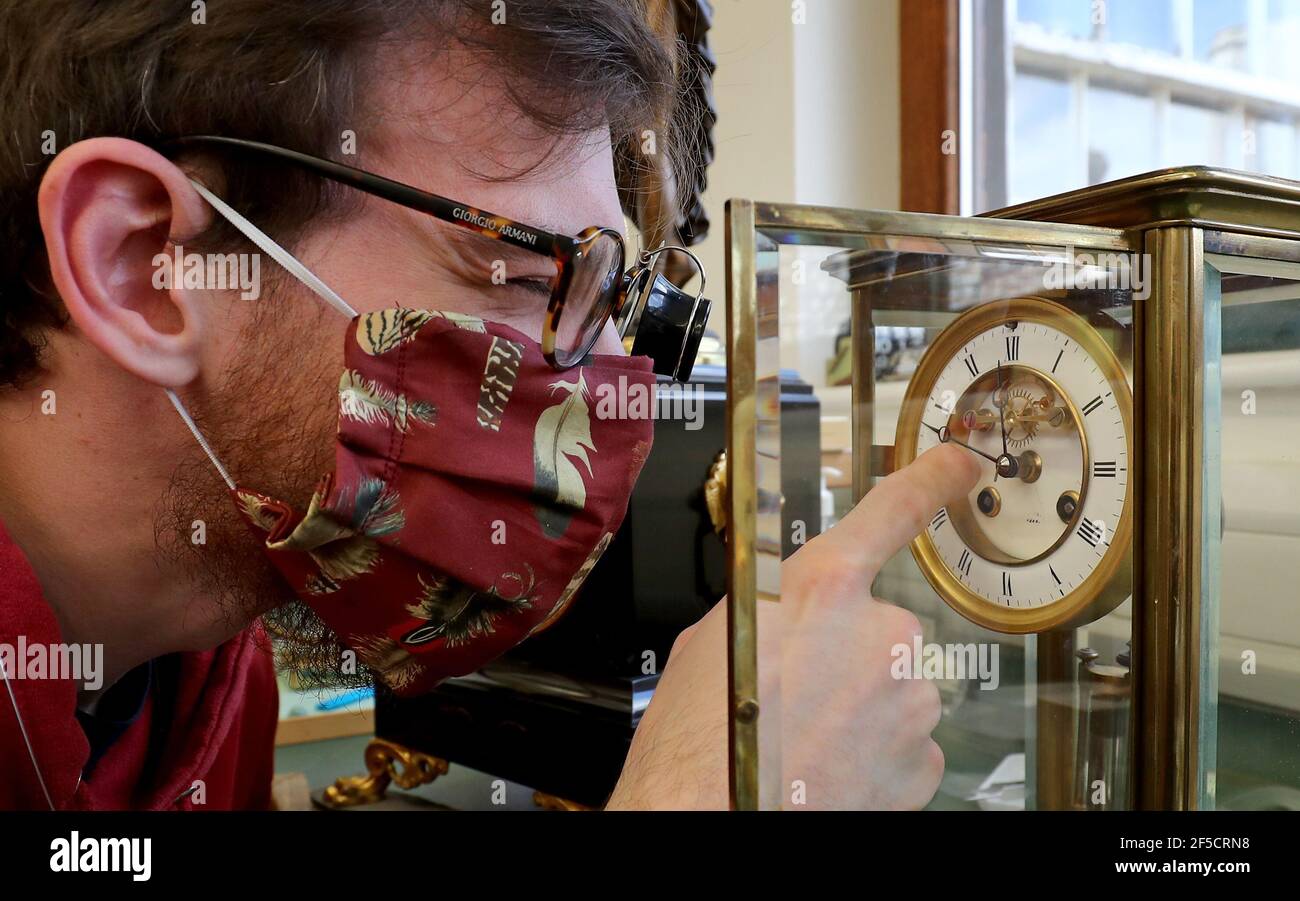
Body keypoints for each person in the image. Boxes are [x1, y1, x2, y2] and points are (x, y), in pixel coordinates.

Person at [0, 0, 979, 810]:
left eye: (612, 299)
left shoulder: (210, 668)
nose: (609, 377)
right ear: (147, 268)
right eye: (527, 273)